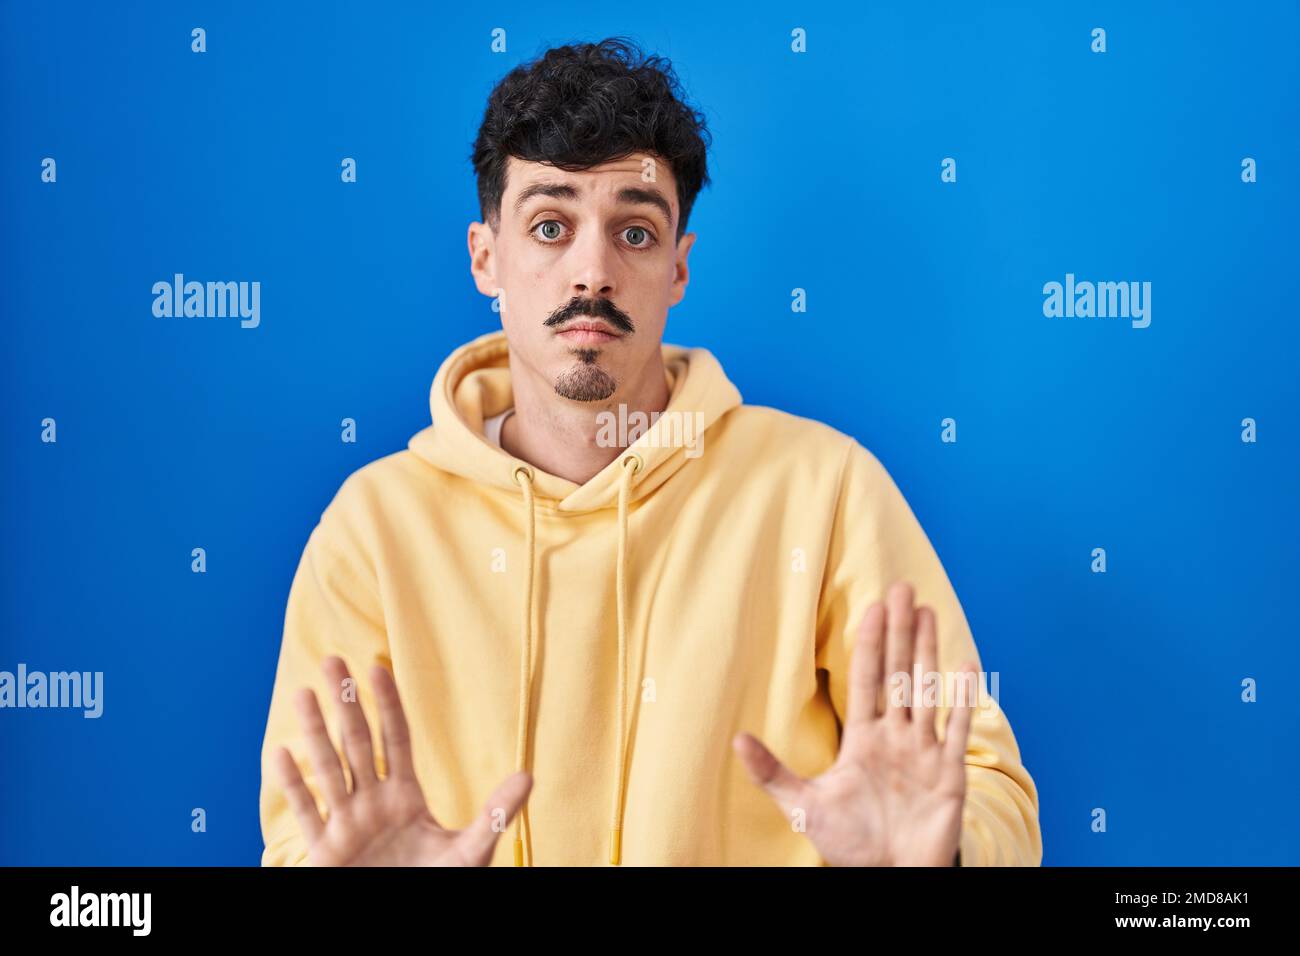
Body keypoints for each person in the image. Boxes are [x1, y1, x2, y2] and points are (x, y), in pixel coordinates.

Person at [258, 37, 1042, 867]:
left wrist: (939, 854)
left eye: (634, 232)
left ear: (678, 268)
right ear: (486, 258)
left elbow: (985, 782)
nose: (591, 273)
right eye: (551, 226)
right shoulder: (372, 529)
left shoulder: (826, 489)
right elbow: (306, 837)